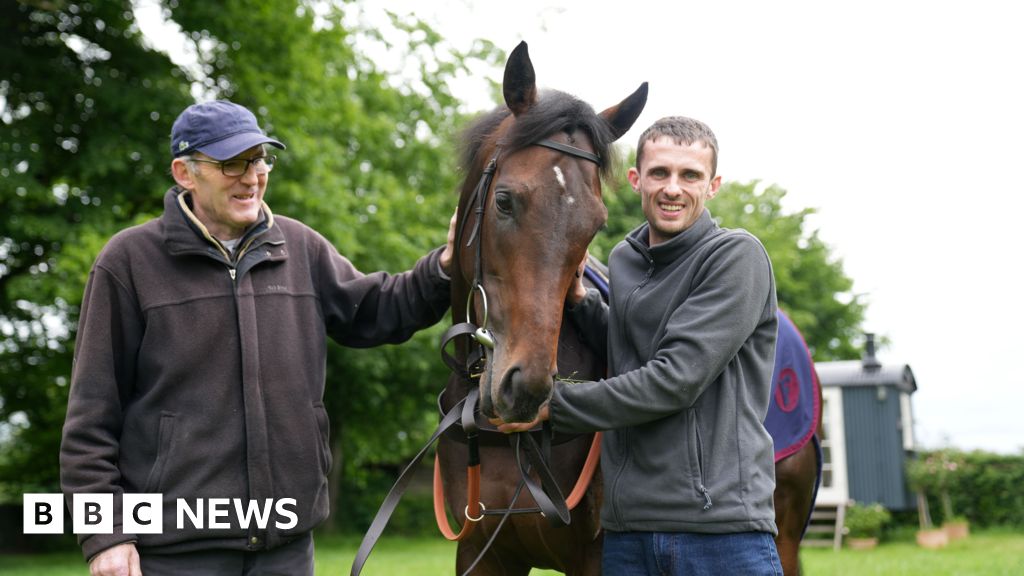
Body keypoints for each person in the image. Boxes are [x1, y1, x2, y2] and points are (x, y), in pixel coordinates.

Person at [59, 100, 456, 576]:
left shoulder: (300, 247)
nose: (251, 177)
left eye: (259, 159)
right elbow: (90, 418)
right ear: (185, 172)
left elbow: (379, 309)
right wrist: (104, 536)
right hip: (172, 553)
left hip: (285, 547)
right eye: (232, 164)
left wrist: (445, 266)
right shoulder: (128, 262)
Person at [496, 116, 782, 575]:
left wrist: (550, 403)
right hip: (627, 533)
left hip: (719, 533)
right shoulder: (625, 260)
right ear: (636, 180)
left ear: (713, 186)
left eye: (690, 175)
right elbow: (630, 350)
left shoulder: (735, 257)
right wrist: (582, 303)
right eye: (659, 173)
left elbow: (673, 379)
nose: (673, 188)